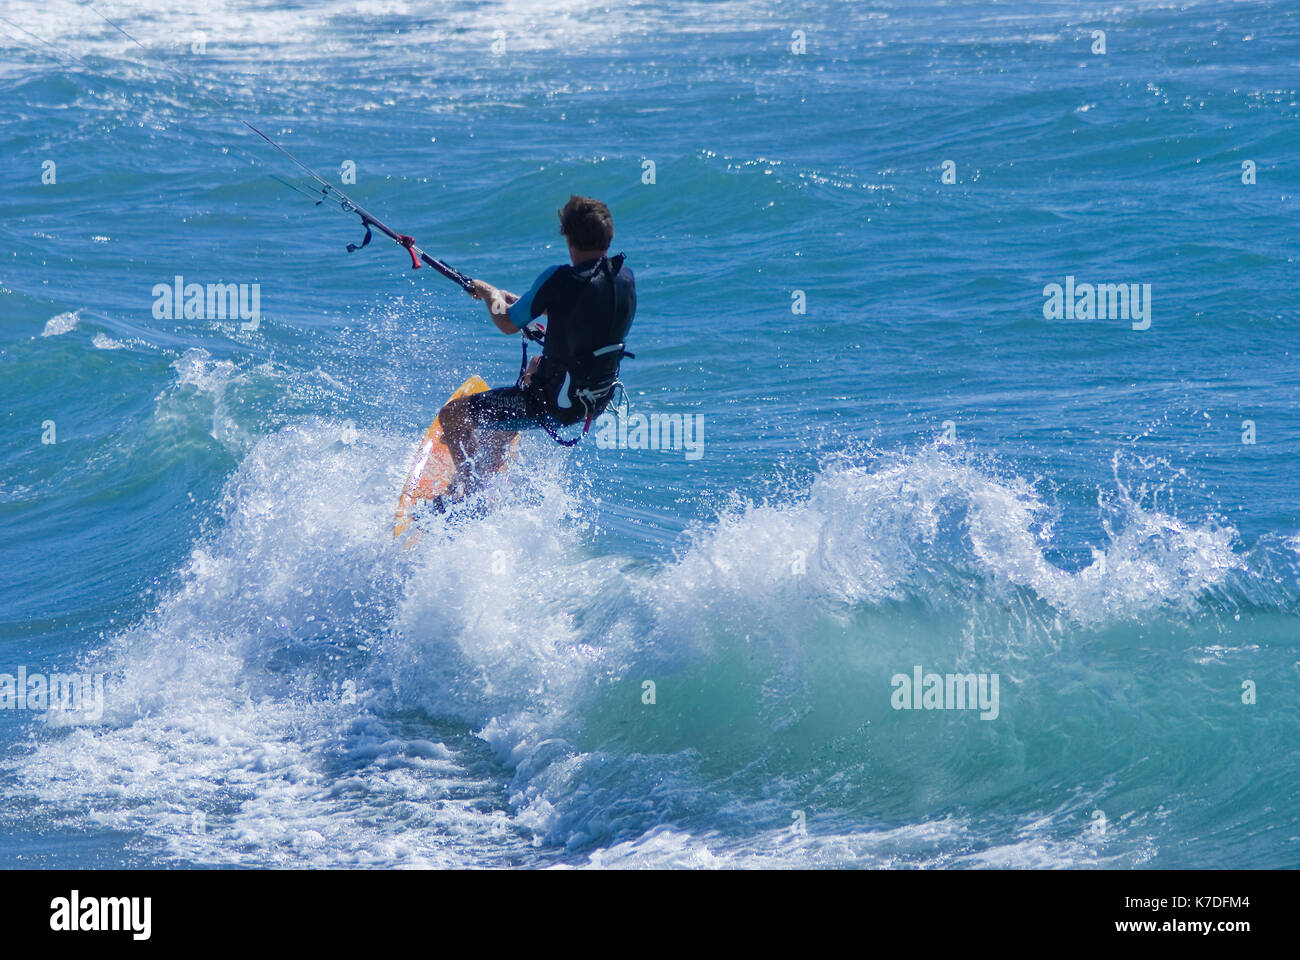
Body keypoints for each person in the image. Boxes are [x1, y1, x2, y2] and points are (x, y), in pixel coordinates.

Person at [435, 195, 636, 502]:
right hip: (593, 401)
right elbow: (584, 311)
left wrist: (490, 293)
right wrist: (538, 304)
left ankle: (468, 497)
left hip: (552, 405)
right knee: (536, 368)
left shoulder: (558, 279)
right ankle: (493, 454)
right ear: (609, 239)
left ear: (568, 238)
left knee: (452, 415)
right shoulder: (623, 278)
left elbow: (506, 323)